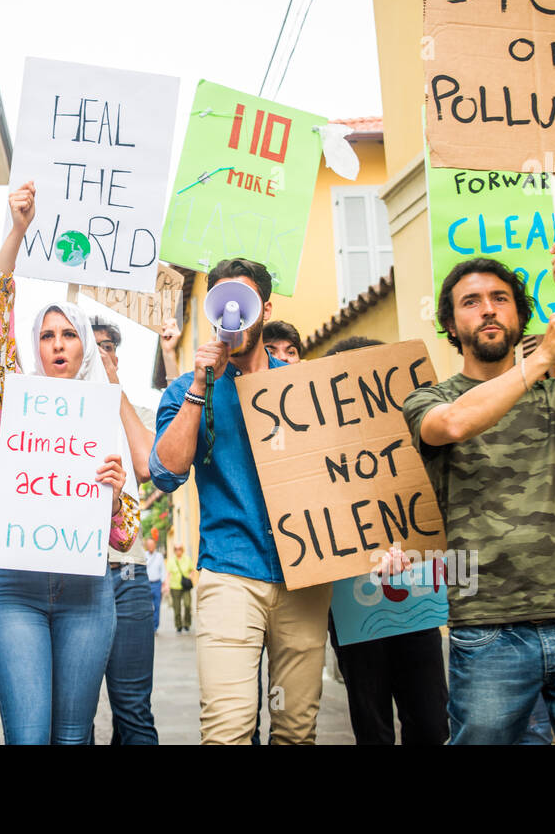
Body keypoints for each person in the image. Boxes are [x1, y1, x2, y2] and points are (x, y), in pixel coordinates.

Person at [401, 241, 555, 744]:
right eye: (471, 301)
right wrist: (538, 361)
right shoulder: (428, 399)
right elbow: (456, 424)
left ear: (519, 315)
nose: (488, 308)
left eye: (500, 298)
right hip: (489, 626)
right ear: (450, 325)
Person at [0, 181, 141, 744]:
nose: (57, 343)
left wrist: (116, 489)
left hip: (87, 595)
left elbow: (124, 536)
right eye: (46, 334)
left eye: (69, 334)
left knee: (72, 738)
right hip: (15, 590)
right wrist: (17, 231)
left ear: (86, 348)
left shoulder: (107, 414)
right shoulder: (13, 398)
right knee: (28, 737)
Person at [152, 257, 334, 745]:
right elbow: (166, 473)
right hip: (230, 573)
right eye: (223, 301)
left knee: (297, 732)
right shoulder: (185, 389)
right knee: (227, 732)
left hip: (305, 578)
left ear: (265, 309)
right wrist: (197, 387)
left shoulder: (303, 384)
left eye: (246, 302)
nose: (234, 312)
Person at [321, 336, 449, 745]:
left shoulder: (414, 433)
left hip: (414, 588)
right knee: (371, 722)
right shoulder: (316, 453)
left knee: (431, 719)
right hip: (350, 598)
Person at [89, 315, 158, 744]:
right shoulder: (52, 406)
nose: (100, 352)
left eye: (108, 345)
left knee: (134, 709)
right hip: (73, 574)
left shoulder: (136, 409)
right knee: (74, 713)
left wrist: (114, 391)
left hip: (126, 574)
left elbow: (146, 464)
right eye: (91, 344)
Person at [166, 543, 194, 632]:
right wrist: (167, 585)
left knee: (187, 605)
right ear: (174, 550)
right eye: (176, 549)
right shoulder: (171, 560)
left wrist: (190, 577)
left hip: (185, 586)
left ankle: (187, 623)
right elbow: (168, 574)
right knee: (176, 607)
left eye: (180, 549)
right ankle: (178, 625)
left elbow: (192, 570)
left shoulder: (187, 559)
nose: (178, 551)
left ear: (182, 550)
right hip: (174, 586)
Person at [144, 535, 165, 633]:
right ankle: (149, 625)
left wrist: (164, 584)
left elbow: (163, 571)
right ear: (147, 546)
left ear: (155, 545)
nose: (150, 546)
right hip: (147, 584)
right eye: (149, 545)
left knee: (157, 606)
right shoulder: (144, 555)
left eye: (152, 544)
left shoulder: (159, 556)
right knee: (147, 607)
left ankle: (155, 627)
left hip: (157, 584)